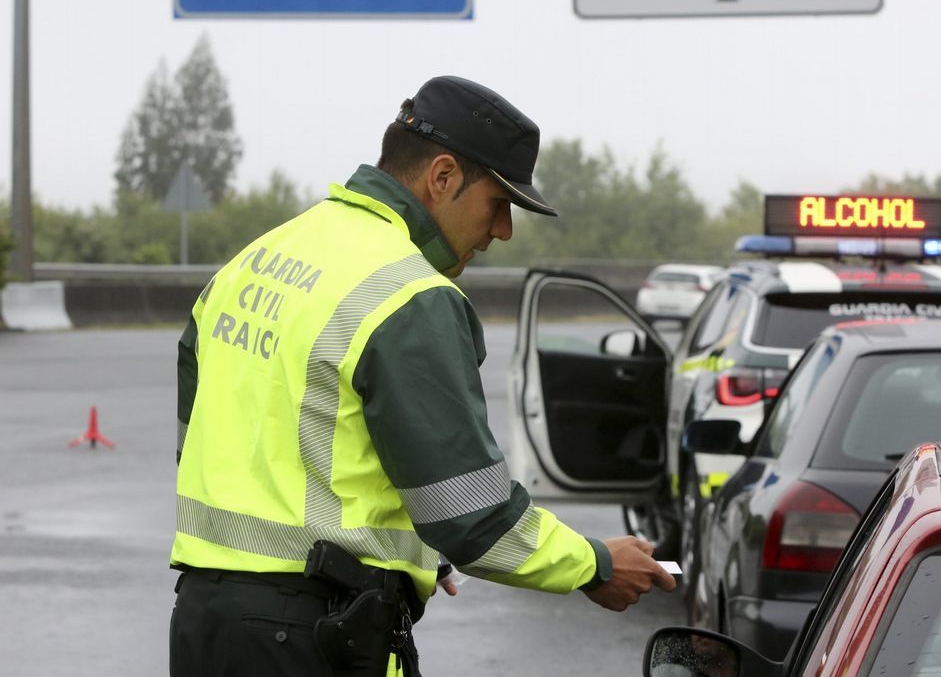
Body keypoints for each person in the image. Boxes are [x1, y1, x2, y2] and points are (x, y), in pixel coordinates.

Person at [169, 75, 677, 676]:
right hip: (313, 637)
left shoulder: (255, 261)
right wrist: (594, 564)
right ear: (442, 176)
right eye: (498, 203)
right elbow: (473, 513)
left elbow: (230, 443)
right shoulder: (407, 294)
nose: (503, 231)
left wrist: (403, 547)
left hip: (203, 624)